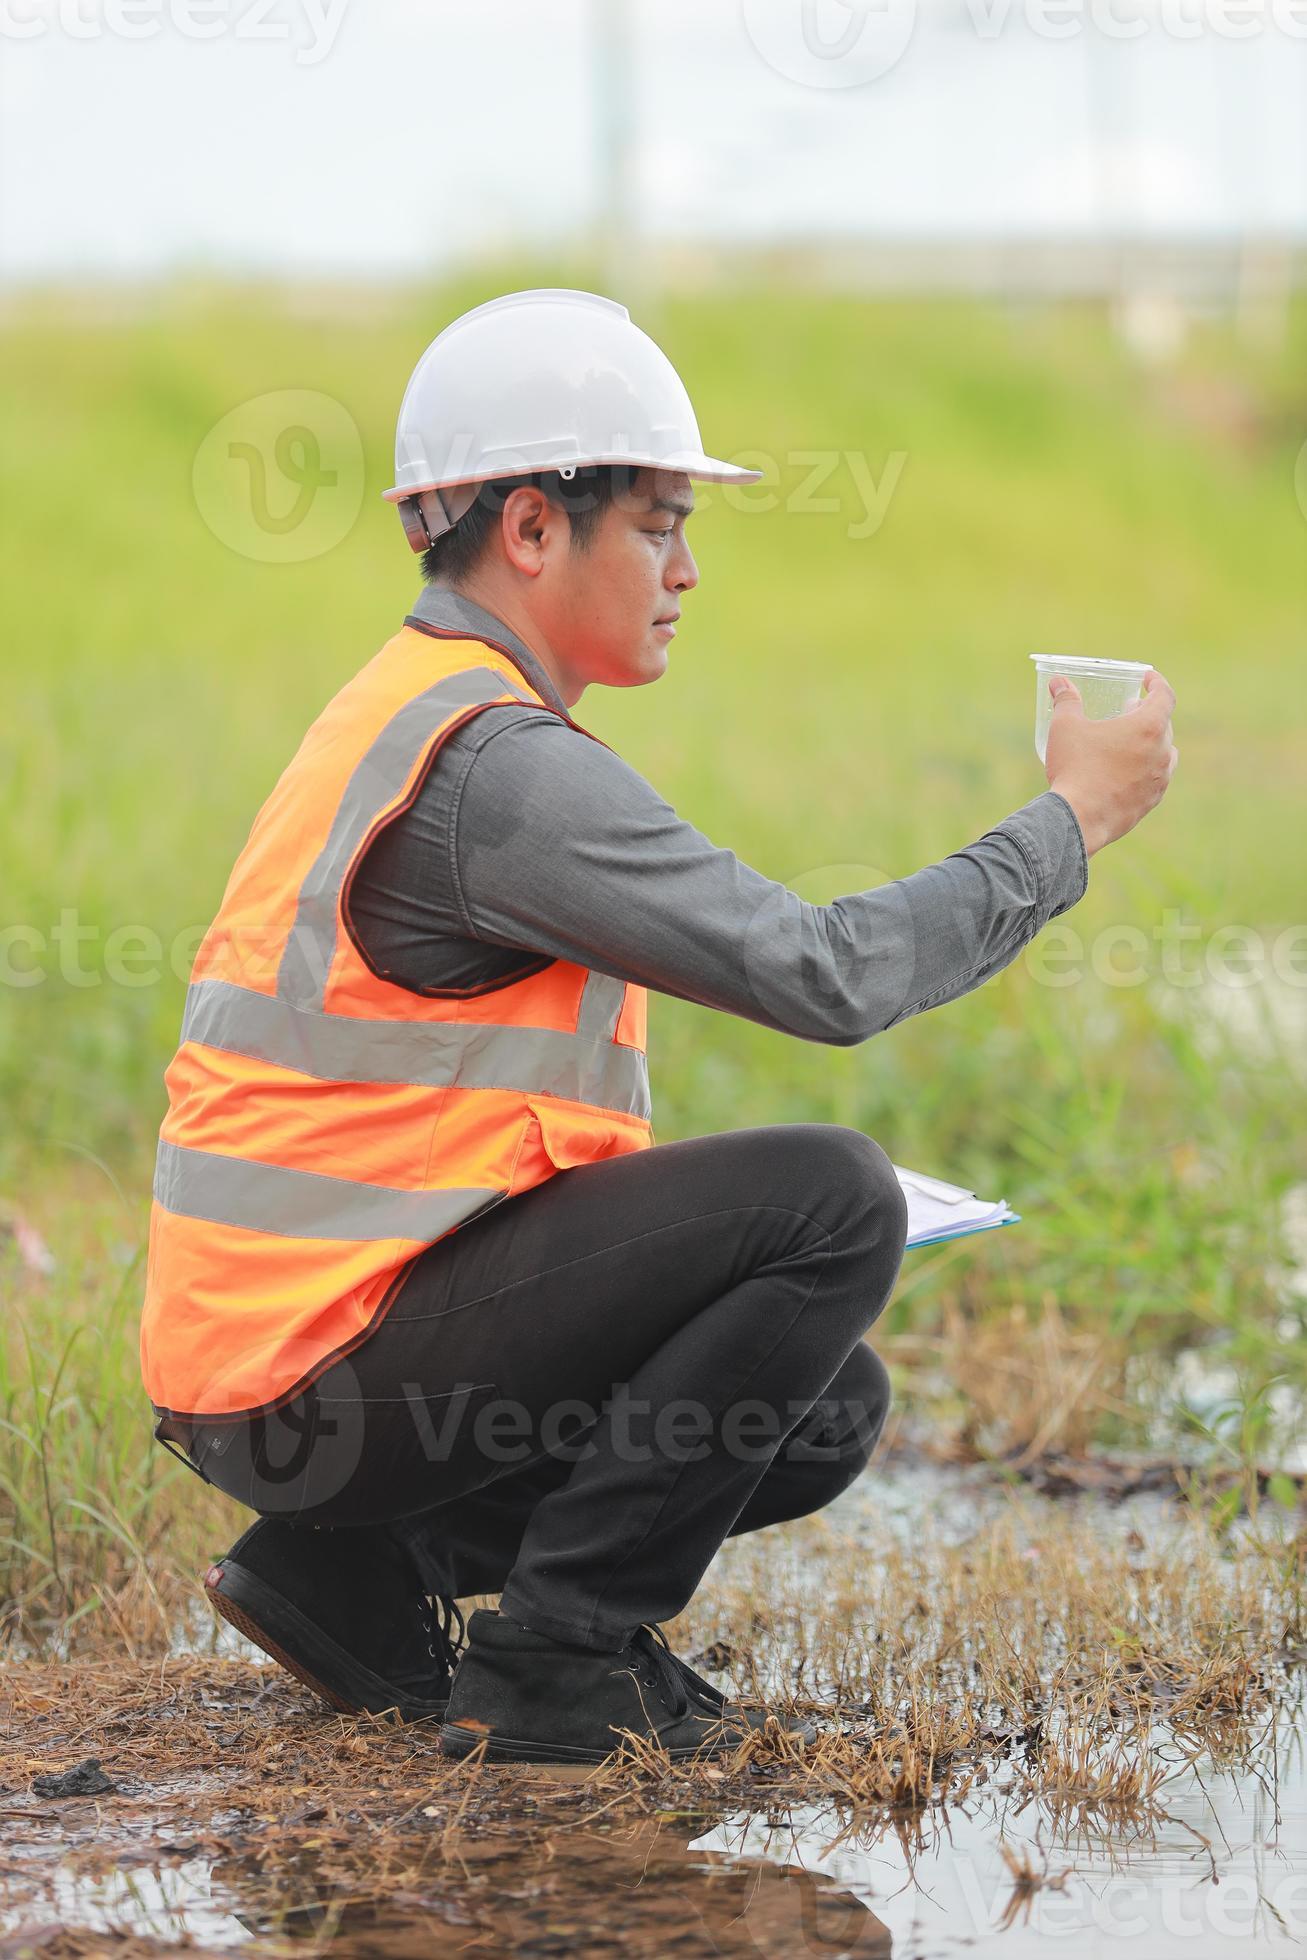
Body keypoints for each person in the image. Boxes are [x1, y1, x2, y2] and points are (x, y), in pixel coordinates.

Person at [141, 289, 1178, 1765]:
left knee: (824, 1404)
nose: (687, 571)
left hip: (287, 1389)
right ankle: (558, 1665)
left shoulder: (416, 706)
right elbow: (828, 976)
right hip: (319, 1371)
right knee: (831, 1200)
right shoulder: (497, 769)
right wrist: (1071, 824)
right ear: (531, 530)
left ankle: (356, 1572)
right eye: (657, 524)